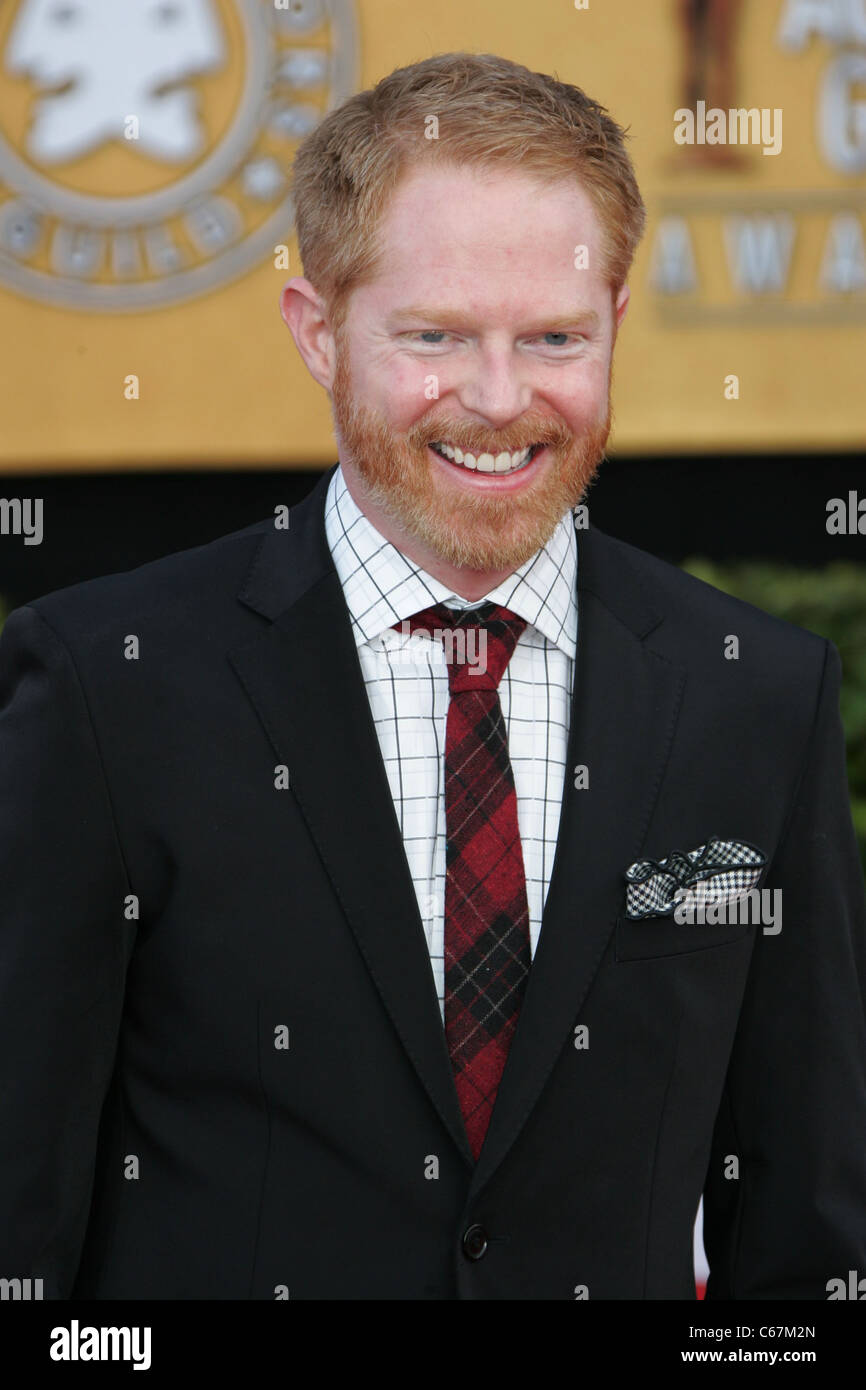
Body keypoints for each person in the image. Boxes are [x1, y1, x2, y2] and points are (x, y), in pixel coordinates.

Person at [1, 52, 865, 1301]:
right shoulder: (104, 686)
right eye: (436, 335)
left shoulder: (754, 696)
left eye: (554, 336)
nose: (500, 400)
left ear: (616, 321)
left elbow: (801, 1230)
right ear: (318, 332)